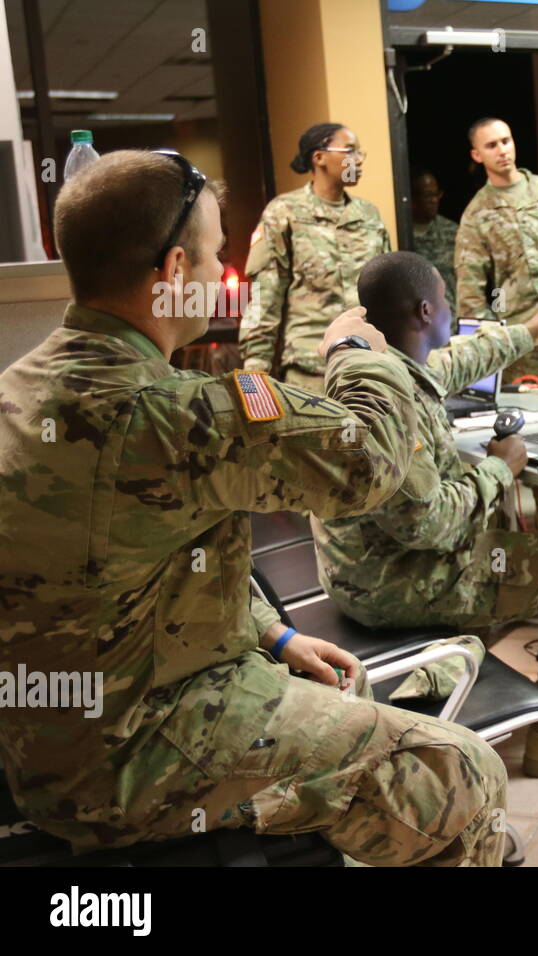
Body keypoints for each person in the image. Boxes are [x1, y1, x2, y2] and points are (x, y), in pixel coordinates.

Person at [0, 150, 506, 866]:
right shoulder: (176, 414)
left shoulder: (18, 390)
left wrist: (272, 636)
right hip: (135, 761)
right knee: (454, 768)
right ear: (174, 272)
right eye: (213, 255)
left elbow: (133, 567)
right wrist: (360, 353)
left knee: (351, 696)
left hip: (48, 750)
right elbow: (371, 463)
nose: (221, 275)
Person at [312, 251, 538, 778]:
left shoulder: (385, 365)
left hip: (359, 573)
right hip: (394, 583)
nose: (453, 313)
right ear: (426, 311)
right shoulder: (388, 400)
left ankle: (455, 666)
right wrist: (500, 468)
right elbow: (429, 526)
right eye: (447, 303)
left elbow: (456, 362)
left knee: (507, 543)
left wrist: (532, 331)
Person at [454, 116, 538, 530]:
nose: (503, 150)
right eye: (492, 145)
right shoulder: (477, 214)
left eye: (507, 140)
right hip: (522, 335)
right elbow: (472, 290)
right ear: (477, 155)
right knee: (534, 418)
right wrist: (484, 346)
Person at [239, 122, 391, 391]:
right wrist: (255, 371)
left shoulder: (369, 215)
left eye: (360, 153)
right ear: (318, 157)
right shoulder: (285, 212)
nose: (358, 160)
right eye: (349, 151)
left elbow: (387, 292)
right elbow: (265, 298)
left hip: (367, 365)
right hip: (310, 369)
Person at [410, 169, 458, 310]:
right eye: (427, 195)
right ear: (412, 198)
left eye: (437, 195)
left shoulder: (452, 231)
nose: (434, 200)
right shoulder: (401, 233)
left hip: (452, 315)